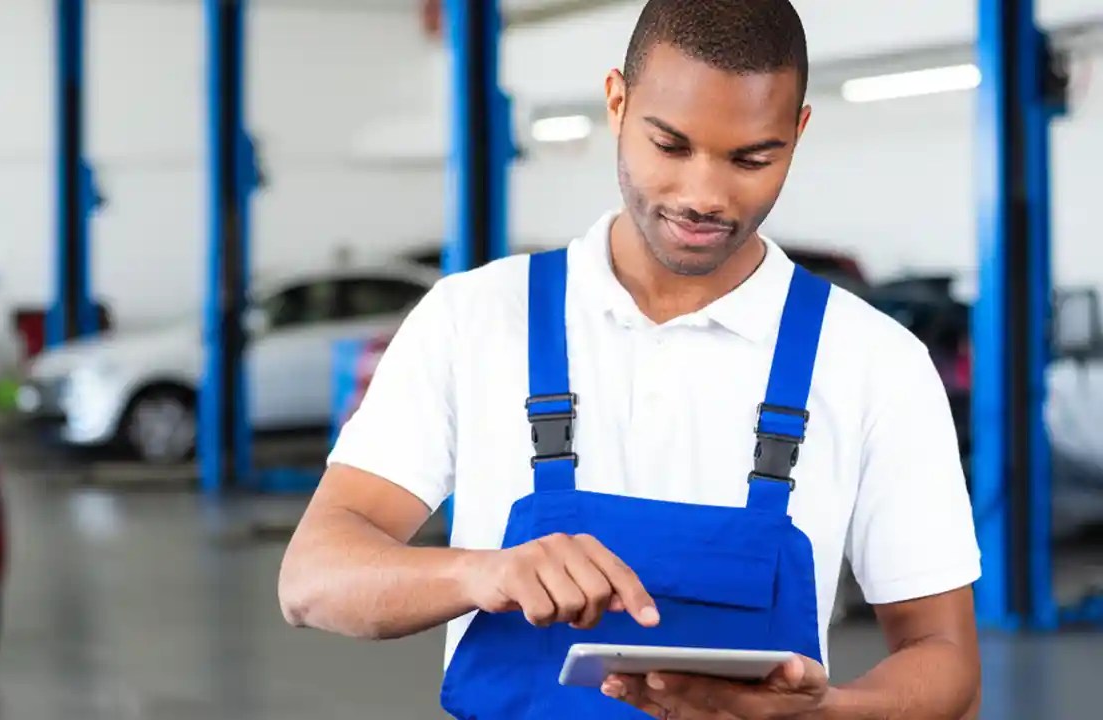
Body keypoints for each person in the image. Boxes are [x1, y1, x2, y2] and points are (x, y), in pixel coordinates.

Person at [278, 1, 982, 717]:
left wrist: (822, 712)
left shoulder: (874, 361)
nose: (704, 195)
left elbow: (947, 661)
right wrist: (478, 573)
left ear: (796, 135)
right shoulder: (476, 319)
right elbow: (313, 577)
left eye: (751, 159)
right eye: (671, 146)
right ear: (617, 102)